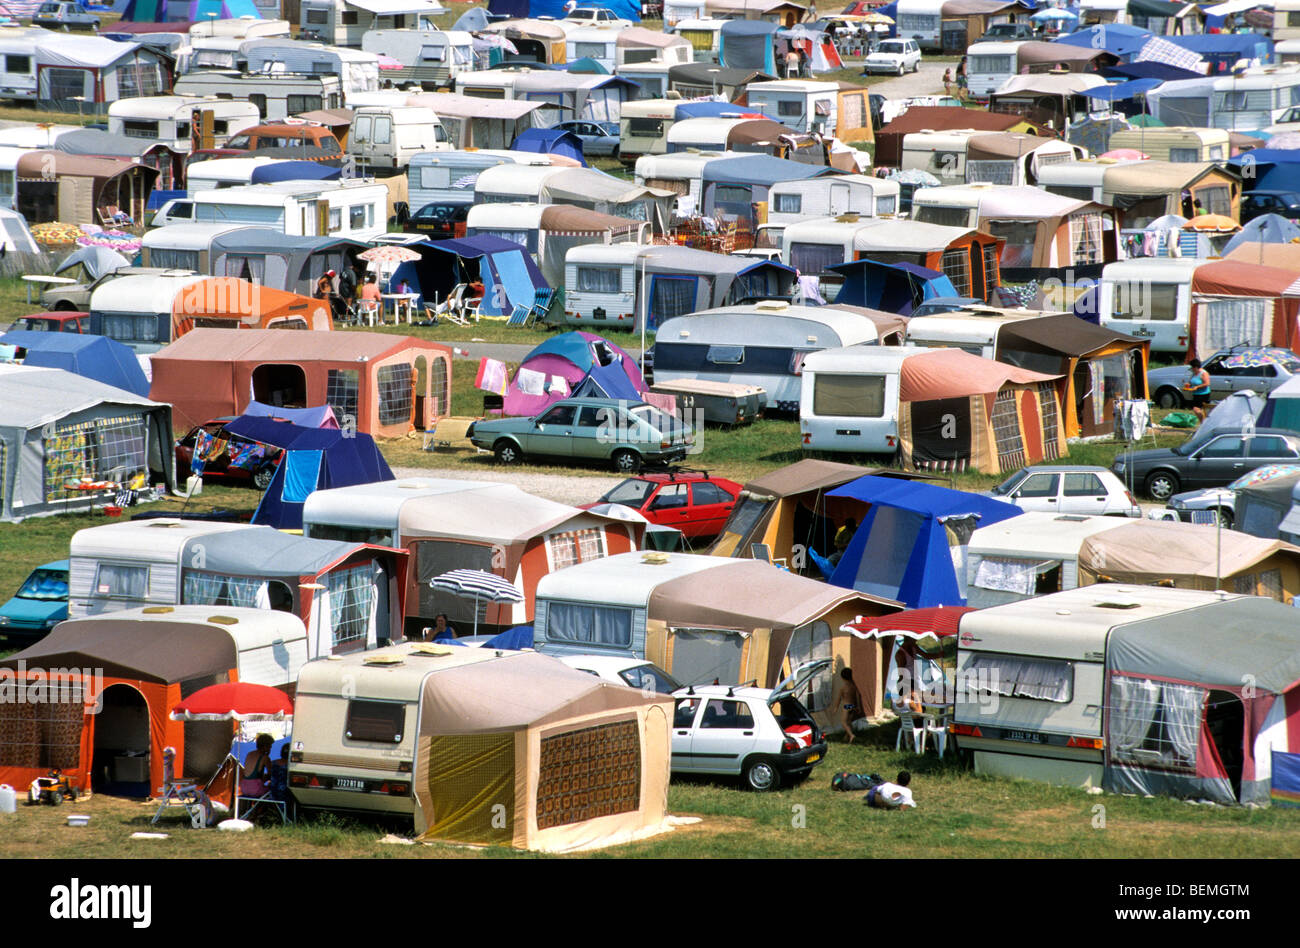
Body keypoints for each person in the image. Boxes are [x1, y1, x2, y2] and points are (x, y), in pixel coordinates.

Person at [833, 667, 865, 744]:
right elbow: (858, 696)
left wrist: (836, 708)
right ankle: (846, 736)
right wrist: (859, 707)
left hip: (846, 706)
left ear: (842, 677)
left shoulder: (843, 688)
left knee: (843, 722)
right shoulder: (854, 687)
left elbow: (838, 699)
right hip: (853, 706)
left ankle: (851, 735)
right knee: (849, 722)